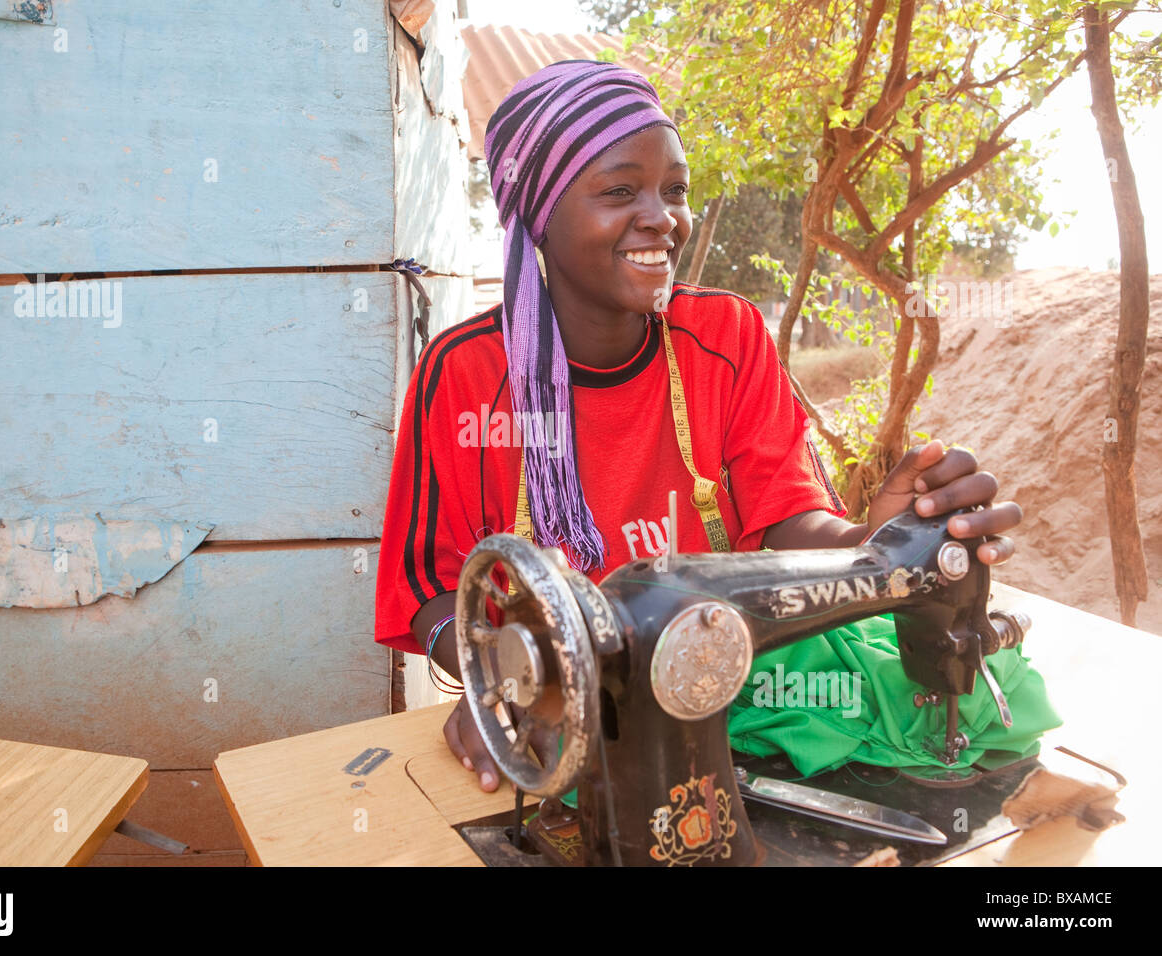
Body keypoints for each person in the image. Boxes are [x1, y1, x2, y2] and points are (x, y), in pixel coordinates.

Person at [373, 60, 1021, 793]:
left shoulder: (727, 334)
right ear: (537, 212)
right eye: (621, 191)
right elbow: (431, 587)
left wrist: (872, 542)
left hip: (741, 688)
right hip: (571, 718)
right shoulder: (462, 375)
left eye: (674, 190)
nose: (664, 217)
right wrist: (504, 685)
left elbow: (786, 517)